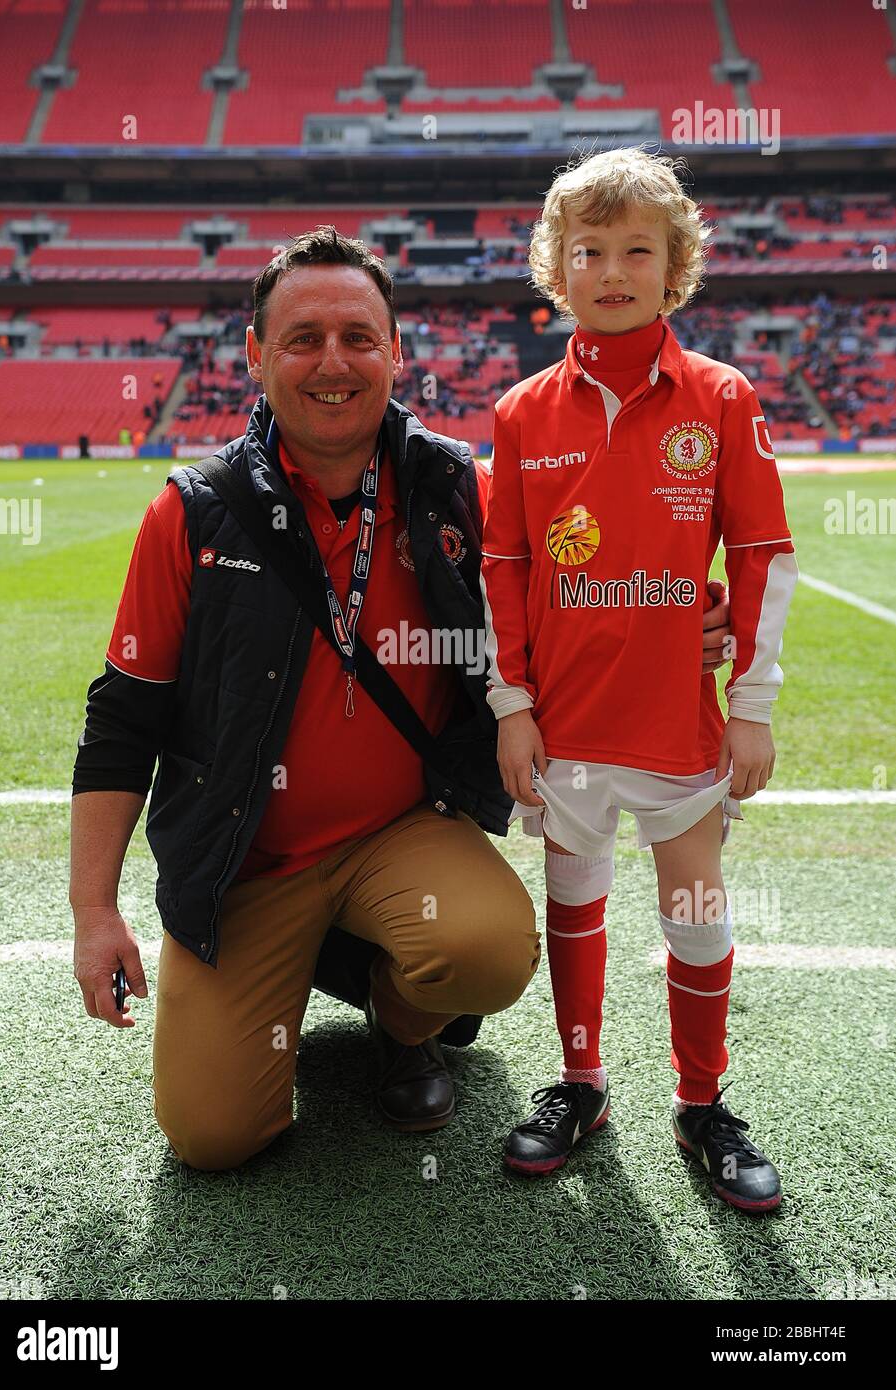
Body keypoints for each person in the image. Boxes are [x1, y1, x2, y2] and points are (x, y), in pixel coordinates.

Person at [69, 230, 541, 1171]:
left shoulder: (453, 491)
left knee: (485, 952)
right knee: (211, 1138)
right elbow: (124, 719)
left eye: (359, 337)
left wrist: (687, 634)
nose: (334, 362)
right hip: (249, 860)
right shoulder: (196, 511)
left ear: (397, 352)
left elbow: (549, 630)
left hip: (399, 832)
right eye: (302, 338)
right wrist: (94, 911)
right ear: (255, 354)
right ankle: (327, 962)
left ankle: (398, 1022)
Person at [481, 148, 798, 1211]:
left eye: (635, 250)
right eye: (588, 250)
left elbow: (760, 555)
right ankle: (580, 1082)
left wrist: (748, 708)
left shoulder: (722, 396)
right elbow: (503, 568)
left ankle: (702, 1101)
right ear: (554, 267)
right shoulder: (521, 411)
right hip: (564, 724)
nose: (611, 269)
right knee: (571, 899)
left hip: (677, 727)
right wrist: (510, 704)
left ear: (675, 269)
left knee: (695, 911)